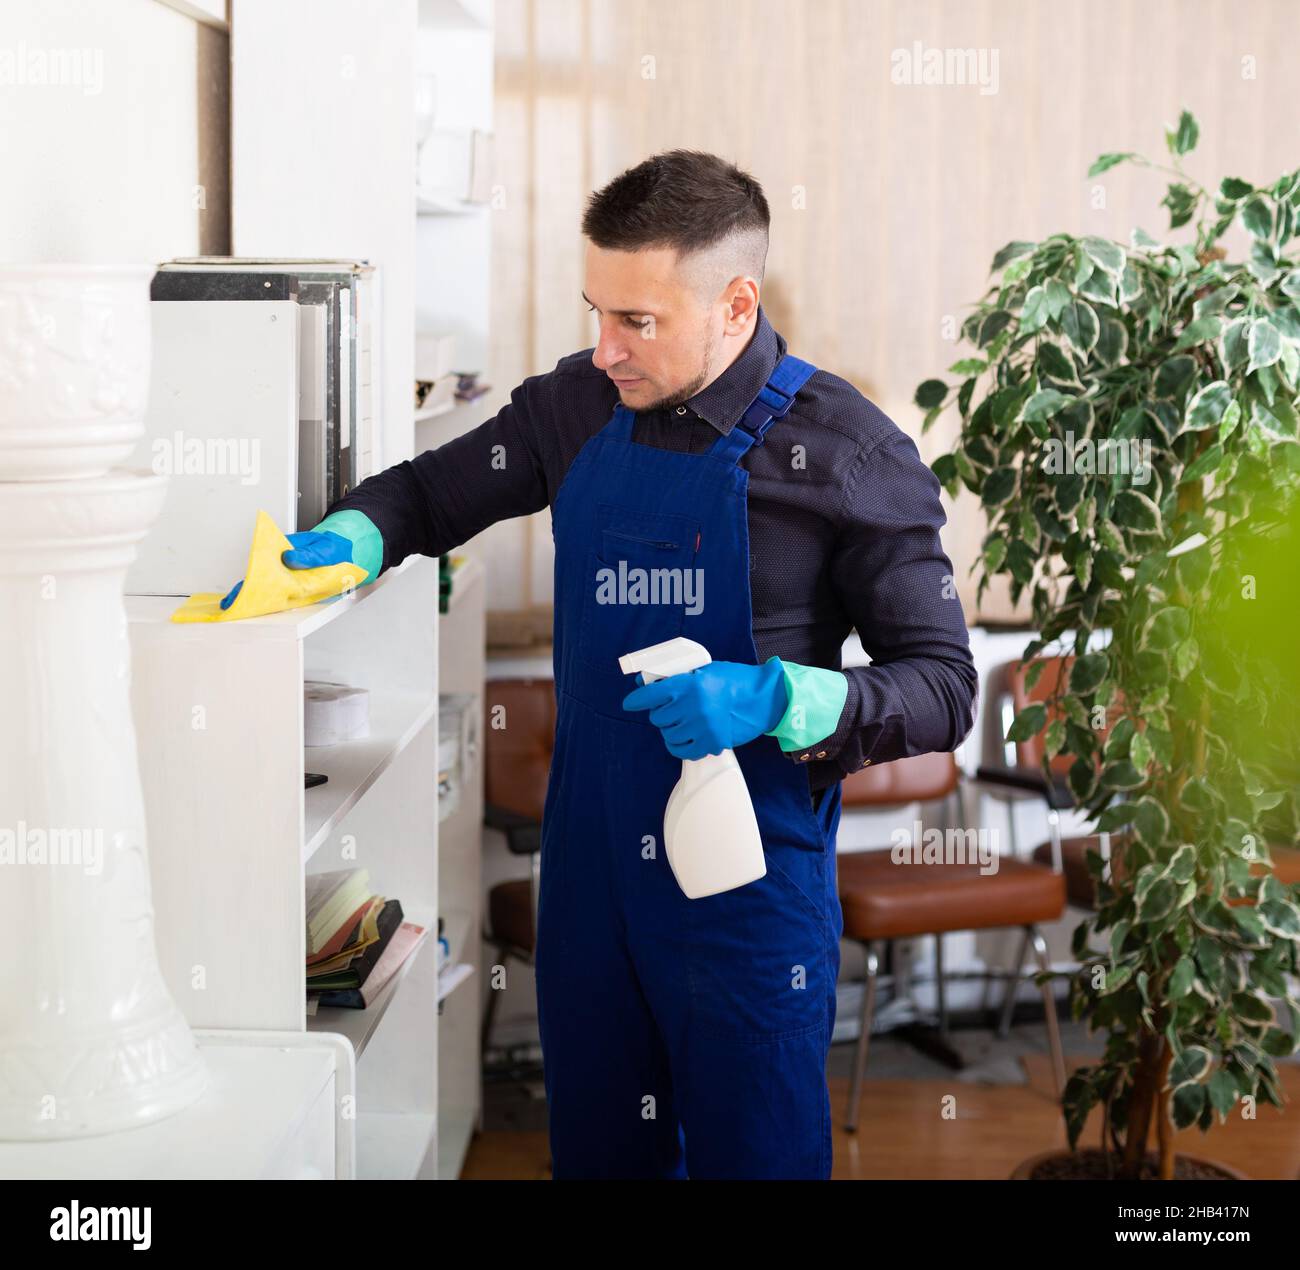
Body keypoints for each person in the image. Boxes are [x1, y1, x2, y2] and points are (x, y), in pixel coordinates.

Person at [223, 149, 978, 1179]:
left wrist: (773, 696)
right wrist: (353, 536)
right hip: (588, 881)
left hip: (744, 899)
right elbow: (429, 495)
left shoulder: (850, 456)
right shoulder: (575, 407)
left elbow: (942, 688)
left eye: (639, 321)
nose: (605, 348)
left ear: (735, 302)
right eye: (597, 311)